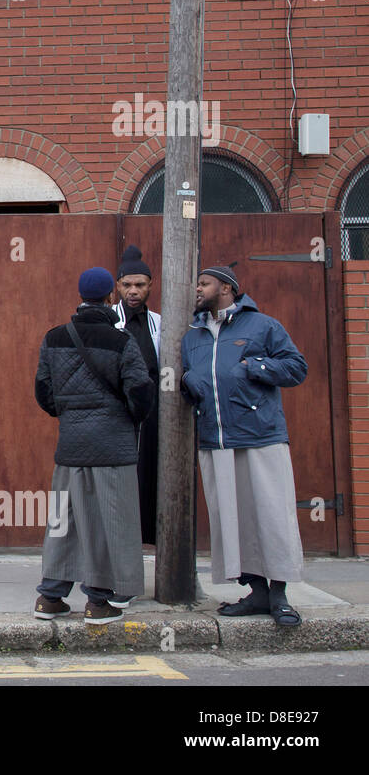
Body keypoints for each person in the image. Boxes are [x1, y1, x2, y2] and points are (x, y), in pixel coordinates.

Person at [180, 265, 307, 627]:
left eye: (203, 283)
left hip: (260, 436)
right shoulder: (193, 335)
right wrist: (190, 380)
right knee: (231, 520)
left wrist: (255, 366)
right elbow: (189, 376)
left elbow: (297, 368)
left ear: (226, 288)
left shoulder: (263, 325)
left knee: (271, 515)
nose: (198, 289)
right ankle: (256, 590)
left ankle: (280, 594)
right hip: (215, 438)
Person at [33, 267, 155, 625]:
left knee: (62, 520)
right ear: (110, 297)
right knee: (109, 521)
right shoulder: (120, 341)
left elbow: (44, 392)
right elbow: (139, 391)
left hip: (70, 445)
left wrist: (69, 413)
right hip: (112, 447)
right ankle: (99, 601)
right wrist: (130, 418)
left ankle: (49, 596)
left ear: (81, 295)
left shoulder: (54, 338)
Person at [112, 245, 161, 545]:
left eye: (139, 285)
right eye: (127, 285)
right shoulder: (109, 322)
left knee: (152, 475)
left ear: (150, 286)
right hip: (119, 413)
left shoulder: (160, 323)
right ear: (117, 286)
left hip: (155, 413)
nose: (133, 291)